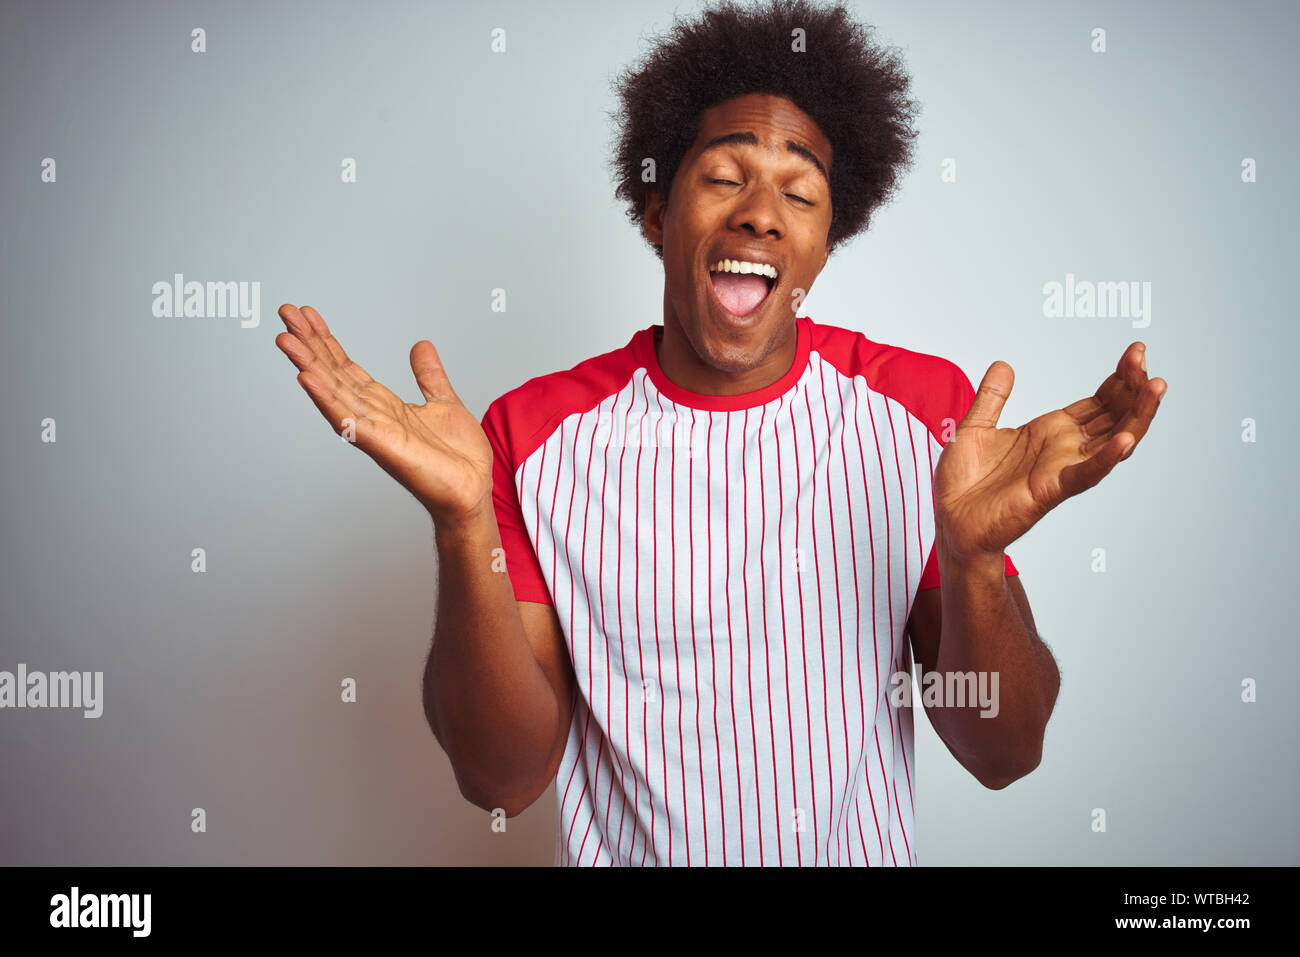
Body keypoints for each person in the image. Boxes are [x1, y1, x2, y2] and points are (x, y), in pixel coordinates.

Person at [274, 0, 1165, 866]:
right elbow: (502, 779)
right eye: (724, 177)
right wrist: (462, 524)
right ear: (658, 213)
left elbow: (1004, 753)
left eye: (801, 193)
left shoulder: (920, 410)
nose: (760, 212)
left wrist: (971, 561)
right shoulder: (530, 433)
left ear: (824, 242)